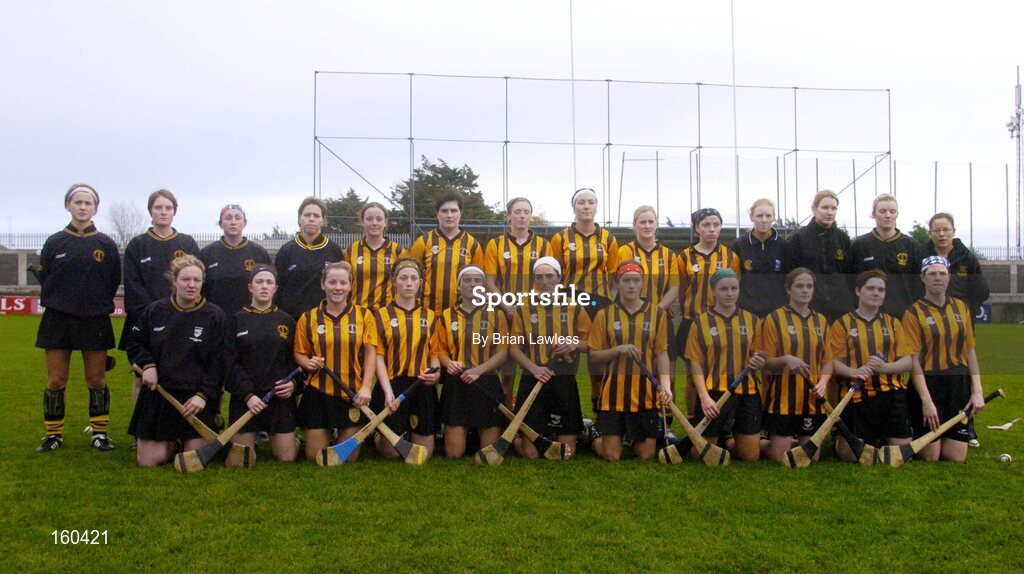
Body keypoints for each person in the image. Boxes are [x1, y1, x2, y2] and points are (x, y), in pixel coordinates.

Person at [35, 184, 122, 452]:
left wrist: (92, 303)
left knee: (96, 379)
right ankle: (53, 435)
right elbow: (46, 277)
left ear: (95, 208)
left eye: (88, 203)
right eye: (77, 202)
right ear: (68, 206)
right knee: (56, 380)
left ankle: (100, 433)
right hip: (57, 319)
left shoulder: (105, 244)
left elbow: (112, 280)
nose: (83, 207)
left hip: (94, 319)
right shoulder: (54, 241)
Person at [126, 255, 229, 467]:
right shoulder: (155, 311)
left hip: (195, 401)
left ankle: (185, 439)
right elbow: (135, 343)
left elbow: (219, 363)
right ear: (174, 281)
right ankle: (172, 442)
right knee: (149, 461)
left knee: (195, 459)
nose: (191, 285)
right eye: (185, 279)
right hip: (160, 397)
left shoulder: (214, 316)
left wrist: (203, 396)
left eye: (197, 280)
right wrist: (148, 365)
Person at [821, 269, 929, 461]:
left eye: (880, 289)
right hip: (856, 396)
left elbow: (907, 361)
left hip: (891, 394)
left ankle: (880, 438)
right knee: (851, 456)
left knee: (902, 455)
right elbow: (834, 362)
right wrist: (854, 371)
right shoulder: (842, 324)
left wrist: (885, 368)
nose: (876, 293)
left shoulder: (894, 323)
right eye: (870, 288)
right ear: (858, 291)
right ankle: (841, 436)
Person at [293, 261, 380, 462]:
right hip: (318, 391)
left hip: (351, 392)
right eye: (332, 282)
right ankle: (300, 439)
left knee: (347, 458)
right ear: (323, 284)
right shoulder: (309, 318)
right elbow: (299, 352)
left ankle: (357, 435)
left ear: (350, 285)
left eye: (343, 283)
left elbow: (370, 353)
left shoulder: (364, 315)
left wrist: (366, 387)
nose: (338, 288)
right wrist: (307, 363)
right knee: (315, 456)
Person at [902, 256, 986, 462]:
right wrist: (926, 401)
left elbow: (970, 352)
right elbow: (914, 362)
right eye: (932, 274)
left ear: (949, 278)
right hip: (929, 384)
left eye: (942, 274)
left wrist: (977, 392)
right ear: (923, 277)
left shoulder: (961, 307)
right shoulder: (913, 313)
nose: (937, 278)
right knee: (931, 456)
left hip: (958, 385)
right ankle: (907, 431)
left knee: (955, 457)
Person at [587, 262, 673, 461]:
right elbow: (593, 355)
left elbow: (661, 352)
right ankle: (592, 437)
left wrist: (666, 385)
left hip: (645, 394)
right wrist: (618, 350)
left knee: (646, 454)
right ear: (618, 283)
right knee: (612, 456)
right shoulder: (605, 314)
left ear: (642, 283)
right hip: (613, 393)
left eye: (636, 280)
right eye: (626, 281)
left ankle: (631, 437)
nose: (631, 285)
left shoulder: (657, 314)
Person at [121, 190, 200, 404]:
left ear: (174, 212)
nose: (163, 212)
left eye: (168, 208)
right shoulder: (137, 245)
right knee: (142, 377)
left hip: (181, 321)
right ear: (150, 211)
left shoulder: (187, 243)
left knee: (176, 378)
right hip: (146, 321)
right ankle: (140, 431)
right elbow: (133, 284)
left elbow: (195, 280)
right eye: (158, 207)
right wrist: (156, 313)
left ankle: (173, 433)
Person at [510, 256, 590, 459]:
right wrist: (533, 368)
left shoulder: (574, 307)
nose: (544, 282)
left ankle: (571, 433)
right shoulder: (524, 308)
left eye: (549, 276)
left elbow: (591, 343)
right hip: (533, 375)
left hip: (562, 377)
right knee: (531, 454)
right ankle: (516, 437)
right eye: (539, 277)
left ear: (559, 278)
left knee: (566, 454)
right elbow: (514, 348)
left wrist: (574, 344)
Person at [549, 188, 619, 412]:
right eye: (581, 202)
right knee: (566, 359)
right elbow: (554, 274)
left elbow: (615, 274)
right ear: (573, 207)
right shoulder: (560, 238)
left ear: (596, 206)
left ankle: (599, 412)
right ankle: (563, 414)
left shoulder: (608, 238)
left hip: (600, 305)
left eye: (590, 202)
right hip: (570, 304)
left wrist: (610, 303)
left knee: (597, 362)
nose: (586, 206)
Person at [684, 269, 765, 461]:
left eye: (734, 288)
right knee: (700, 456)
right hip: (713, 392)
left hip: (747, 391)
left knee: (750, 456)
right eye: (724, 289)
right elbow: (695, 363)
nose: (730, 293)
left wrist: (759, 360)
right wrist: (704, 397)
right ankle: (720, 434)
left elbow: (761, 355)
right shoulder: (700, 323)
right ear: (713, 291)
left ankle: (727, 438)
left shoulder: (752, 320)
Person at [755, 268, 831, 462]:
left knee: (811, 459)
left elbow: (828, 361)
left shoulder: (821, 321)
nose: (805, 290)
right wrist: (785, 359)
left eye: (809, 286)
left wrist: (822, 383)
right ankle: (762, 443)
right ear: (788, 289)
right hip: (782, 399)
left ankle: (790, 442)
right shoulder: (774, 319)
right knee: (781, 458)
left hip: (812, 400)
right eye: (799, 286)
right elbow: (766, 363)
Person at [371, 258, 442, 460]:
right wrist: (387, 392)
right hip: (393, 386)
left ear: (420, 282)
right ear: (395, 282)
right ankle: (376, 436)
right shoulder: (381, 315)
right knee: (391, 453)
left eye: (413, 278)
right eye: (403, 278)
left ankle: (409, 432)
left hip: (421, 386)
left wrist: (435, 375)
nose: (408, 283)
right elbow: (378, 357)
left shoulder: (429, 316)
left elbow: (434, 354)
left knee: (425, 455)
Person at [226, 265, 299, 462]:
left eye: (269, 282)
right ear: (250, 287)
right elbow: (229, 364)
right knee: (240, 461)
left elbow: (296, 362)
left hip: (279, 399)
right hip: (246, 400)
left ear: (275, 288)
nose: (264, 286)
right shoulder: (236, 320)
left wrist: (293, 385)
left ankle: (293, 439)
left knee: (287, 458)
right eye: (259, 282)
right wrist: (248, 395)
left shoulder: (287, 321)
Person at [436, 266, 509, 458]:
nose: (472, 284)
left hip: (486, 382)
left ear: (484, 286)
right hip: (457, 383)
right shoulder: (446, 316)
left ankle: (477, 434)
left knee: (489, 453)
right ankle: (464, 434)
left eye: (477, 280)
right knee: (454, 453)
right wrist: (448, 363)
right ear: (458, 287)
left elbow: (503, 351)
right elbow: (440, 350)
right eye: (467, 280)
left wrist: (479, 370)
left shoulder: (496, 314)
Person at [484, 197, 551, 402]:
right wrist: (506, 305)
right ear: (509, 215)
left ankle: (531, 416)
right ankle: (505, 416)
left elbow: (547, 280)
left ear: (531, 216)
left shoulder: (543, 245)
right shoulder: (495, 244)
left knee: (535, 367)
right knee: (506, 372)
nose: (522, 216)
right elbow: (489, 280)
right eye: (517, 211)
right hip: (504, 314)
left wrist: (523, 305)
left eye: (526, 212)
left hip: (532, 314)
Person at [677, 208, 741, 416]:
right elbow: (680, 289)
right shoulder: (685, 257)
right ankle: (693, 419)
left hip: (721, 323)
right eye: (706, 225)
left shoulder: (730, 256)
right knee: (692, 377)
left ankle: (721, 419)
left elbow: (734, 288)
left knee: (718, 373)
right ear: (697, 228)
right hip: (692, 322)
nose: (711, 229)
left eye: (716, 224)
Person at [782, 190, 854, 322]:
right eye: (825, 207)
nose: (830, 212)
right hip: (809, 309)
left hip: (841, 309)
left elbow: (849, 274)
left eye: (834, 208)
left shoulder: (842, 238)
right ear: (814, 209)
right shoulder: (798, 238)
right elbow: (789, 274)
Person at [408, 191, 485, 312]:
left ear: (460, 213)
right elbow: (410, 276)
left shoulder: (473, 245)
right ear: (437, 214)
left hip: (461, 313)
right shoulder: (423, 242)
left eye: (454, 211)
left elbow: (478, 283)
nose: (449, 215)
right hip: (427, 313)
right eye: (444, 211)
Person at [850, 194, 922, 317]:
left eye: (892, 211)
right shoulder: (860, 244)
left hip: (904, 314)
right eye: (883, 211)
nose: (888, 215)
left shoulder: (911, 245)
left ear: (897, 214)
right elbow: (852, 281)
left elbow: (919, 284)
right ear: (874, 214)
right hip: (869, 315)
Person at [275, 196, 344, 319]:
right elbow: (278, 289)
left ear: (323, 220)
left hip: (325, 320)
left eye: (316, 216)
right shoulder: (287, 251)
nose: (311, 219)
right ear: (299, 218)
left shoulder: (334, 251)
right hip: (291, 320)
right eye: (307, 215)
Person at [199, 204, 271, 318]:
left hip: (249, 320)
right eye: (228, 218)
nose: (233, 222)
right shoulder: (207, 253)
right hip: (215, 318)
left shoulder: (259, 253)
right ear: (221, 224)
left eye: (238, 218)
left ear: (244, 223)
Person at [925, 213, 990, 321]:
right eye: (937, 230)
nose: (941, 234)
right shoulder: (921, 257)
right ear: (930, 233)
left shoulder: (967, 258)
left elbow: (981, 290)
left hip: (960, 323)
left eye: (946, 230)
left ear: (953, 232)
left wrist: (968, 311)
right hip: (928, 321)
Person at [345, 202, 407, 311]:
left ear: (385, 222)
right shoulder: (351, 250)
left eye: (379, 219)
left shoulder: (398, 251)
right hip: (357, 313)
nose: (374, 223)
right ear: (362, 221)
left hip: (388, 315)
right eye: (369, 219)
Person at [733, 198, 787, 318]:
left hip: (777, 312)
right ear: (751, 217)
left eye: (768, 216)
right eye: (759, 216)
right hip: (747, 311)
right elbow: (734, 278)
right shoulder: (740, 245)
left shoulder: (784, 246)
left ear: (774, 217)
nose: (764, 220)